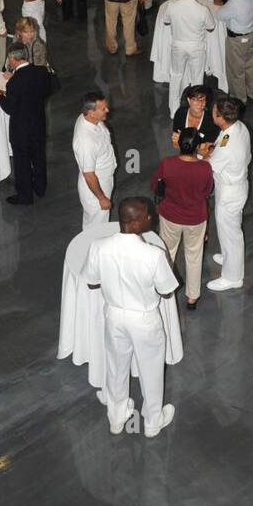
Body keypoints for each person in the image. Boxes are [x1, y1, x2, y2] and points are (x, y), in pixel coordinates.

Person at [86, 196, 177, 436]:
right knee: (151, 369)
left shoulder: (99, 246)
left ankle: (116, 418)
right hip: (144, 319)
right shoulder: (153, 254)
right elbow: (167, 291)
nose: (151, 218)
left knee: (116, 367)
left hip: (114, 315)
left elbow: (92, 283)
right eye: (148, 215)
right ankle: (152, 422)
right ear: (136, 222)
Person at [151, 129, 214, 310]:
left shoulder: (168, 164)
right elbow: (207, 192)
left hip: (170, 216)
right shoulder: (205, 168)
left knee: (167, 252)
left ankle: (166, 289)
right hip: (196, 218)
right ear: (197, 147)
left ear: (180, 144)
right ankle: (192, 297)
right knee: (194, 256)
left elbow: (155, 185)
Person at [0, 41, 51, 205]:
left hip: (21, 130)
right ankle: (40, 187)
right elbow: (45, 91)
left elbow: (10, 108)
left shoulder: (14, 83)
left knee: (22, 163)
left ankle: (25, 196)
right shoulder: (41, 72)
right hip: (38, 124)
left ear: (12, 59)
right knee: (39, 157)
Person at [206, 95, 251, 292]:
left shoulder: (228, 145)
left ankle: (232, 277)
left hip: (229, 192)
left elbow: (209, 167)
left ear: (220, 117)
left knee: (231, 232)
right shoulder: (238, 127)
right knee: (228, 230)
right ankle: (228, 256)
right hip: (237, 185)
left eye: (214, 111)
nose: (211, 113)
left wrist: (197, 155)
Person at [160, 0, 216, 117]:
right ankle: (197, 110)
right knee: (197, 79)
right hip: (196, 46)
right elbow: (211, 28)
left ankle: (173, 110)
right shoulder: (203, 9)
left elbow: (166, 22)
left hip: (178, 45)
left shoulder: (172, 5)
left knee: (176, 76)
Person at [73, 91, 116, 227]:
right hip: (97, 184)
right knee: (97, 225)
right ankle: (93, 247)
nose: (107, 110)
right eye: (103, 109)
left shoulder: (90, 119)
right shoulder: (86, 141)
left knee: (98, 221)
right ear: (90, 112)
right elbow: (89, 175)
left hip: (104, 178)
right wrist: (102, 198)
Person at [171, 85, 220, 149]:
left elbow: (208, 149)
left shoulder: (211, 120)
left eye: (203, 100)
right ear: (189, 100)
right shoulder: (180, 113)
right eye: (196, 100)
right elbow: (175, 144)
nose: (200, 103)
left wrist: (184, 141)